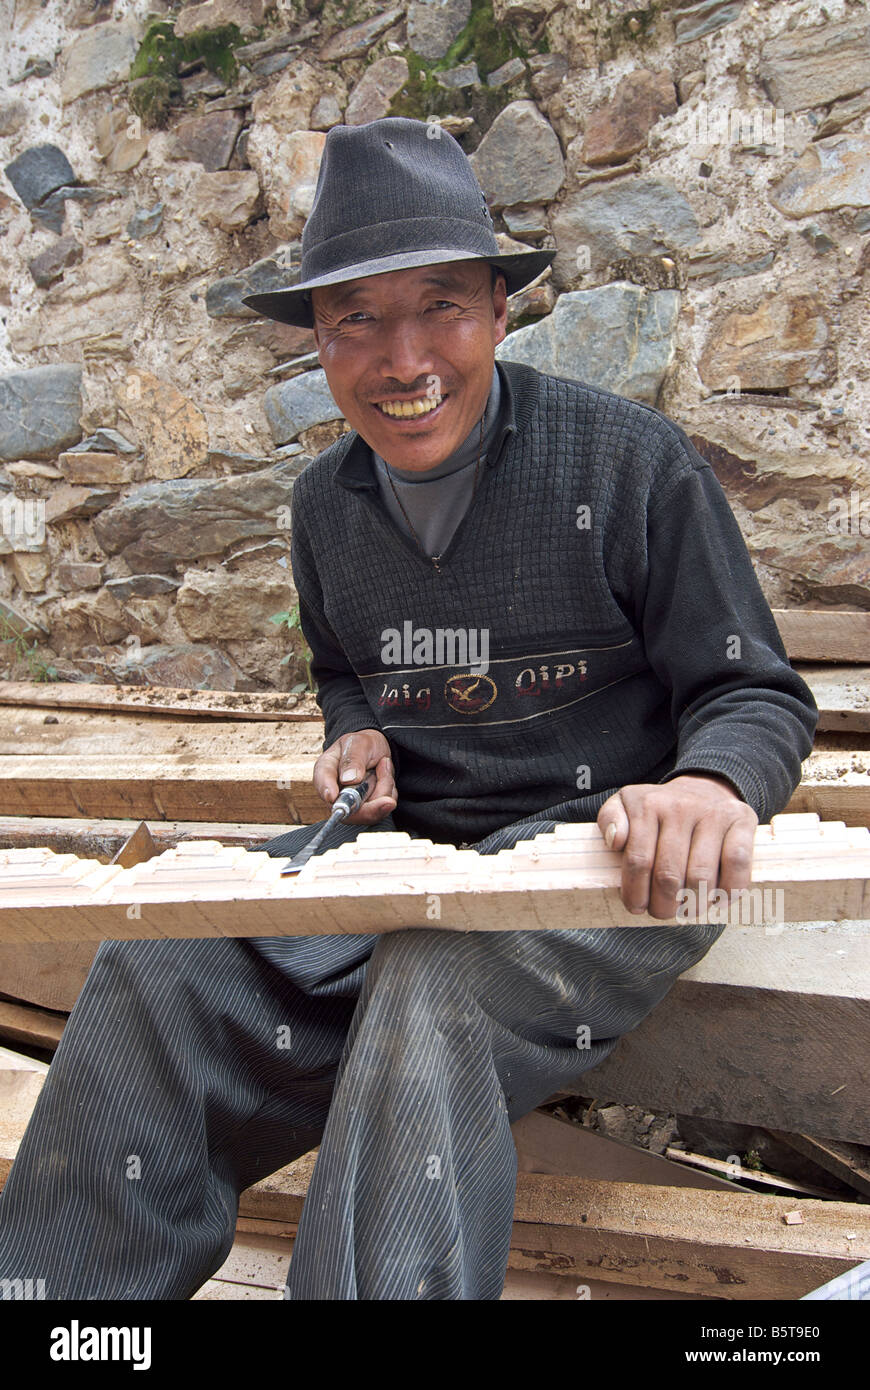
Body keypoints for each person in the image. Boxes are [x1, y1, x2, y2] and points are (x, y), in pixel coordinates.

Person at [0, 118, 817, 1302]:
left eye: (441, 305)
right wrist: (355, 729)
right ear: (319, 347)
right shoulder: (324, 507)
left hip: (603, 865)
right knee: (156, 962)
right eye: (358, 319)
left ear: (498, 308)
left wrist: (708, 785)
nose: (404, 356)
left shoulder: (633, 466)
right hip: (411, 847)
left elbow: (752, 688)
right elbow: (346, 669)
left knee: (428, 979)